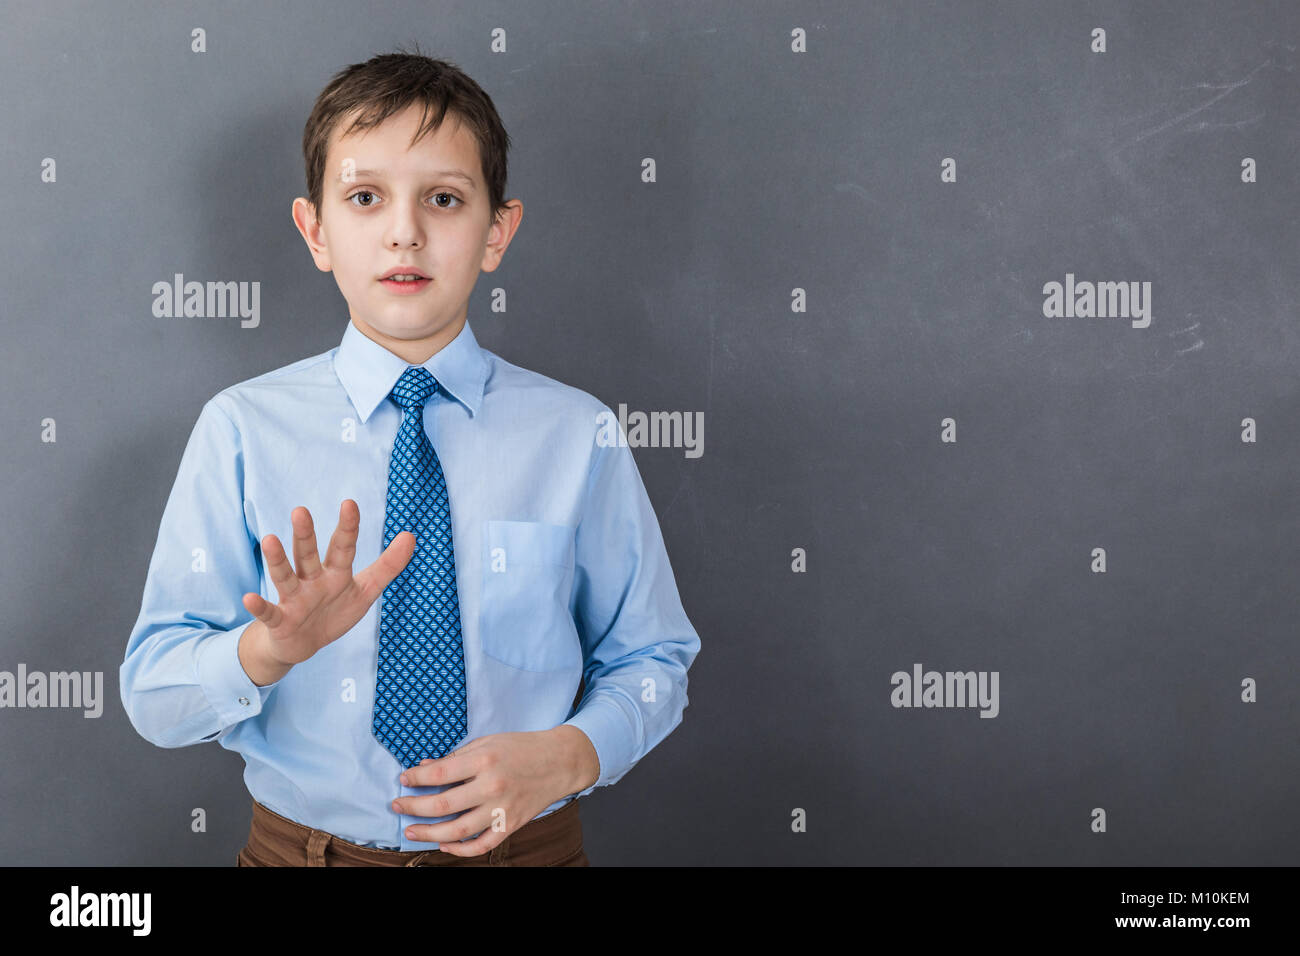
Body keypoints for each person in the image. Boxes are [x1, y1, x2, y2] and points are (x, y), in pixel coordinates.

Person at [119, 49, 702, 867]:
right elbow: (153, 697)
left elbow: (652, 658)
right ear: (316, 231)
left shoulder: (578, 435)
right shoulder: (241, 429)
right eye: (365, 198)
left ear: (497, 232)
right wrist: (266, 652)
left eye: (444, 198)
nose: (405, 232)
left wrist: (574, 753)